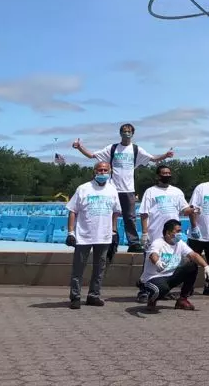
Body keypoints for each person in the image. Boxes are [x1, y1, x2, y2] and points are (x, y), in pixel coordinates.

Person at [72, 124, 174, 252]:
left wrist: (166, 155)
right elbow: (92, 156)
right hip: (112, 189)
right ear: (120, 133)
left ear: (133, 133)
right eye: (125, 131)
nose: (127, 134)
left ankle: (133, 243)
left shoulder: (136, 149)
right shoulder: (113, 148)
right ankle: (110, 241)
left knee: (130, 217)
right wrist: (80, 147)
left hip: (129, 189)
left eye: (129, 131)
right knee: (109, 216)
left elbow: (153, 159)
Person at [65, 161, 121, 309]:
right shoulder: (83, 189)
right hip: (84, 236)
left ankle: (93, 295)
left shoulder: (112, 190)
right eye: (100, 170)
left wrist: (114, 230)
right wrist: (71, 232)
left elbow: (116, 212)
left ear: (109, 172)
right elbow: (72, 211)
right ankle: (75, 296)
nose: (102, 173)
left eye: (105, 170)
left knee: (100, 268)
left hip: (104, 236)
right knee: (78, 268)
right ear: (94, 171)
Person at [136, 165, 192, 302]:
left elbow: (185, 209)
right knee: (149, 263)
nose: (166, 175)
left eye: (168, 173)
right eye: (163, 173)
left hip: (171, 236)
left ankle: (163, 289)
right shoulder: (150, 192)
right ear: (158, 176)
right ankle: (144, 290)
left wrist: (194, 210)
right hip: (155, 233)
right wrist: (144, 232)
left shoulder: (177, 191)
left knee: (169, 263)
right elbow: (144, 213)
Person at [141, 219, 209, 311]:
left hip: (170, 277)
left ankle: (182, 299)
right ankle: (152, 300)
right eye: (177, 231)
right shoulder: (158, 242)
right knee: (160, 290)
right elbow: (153, 255)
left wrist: (206, 266)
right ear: (168, 233)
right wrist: (157, 262)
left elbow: (194, 255)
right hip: (154, 278)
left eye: (180, 231)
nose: (180, 234)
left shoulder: (179, 243)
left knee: (191, 266)